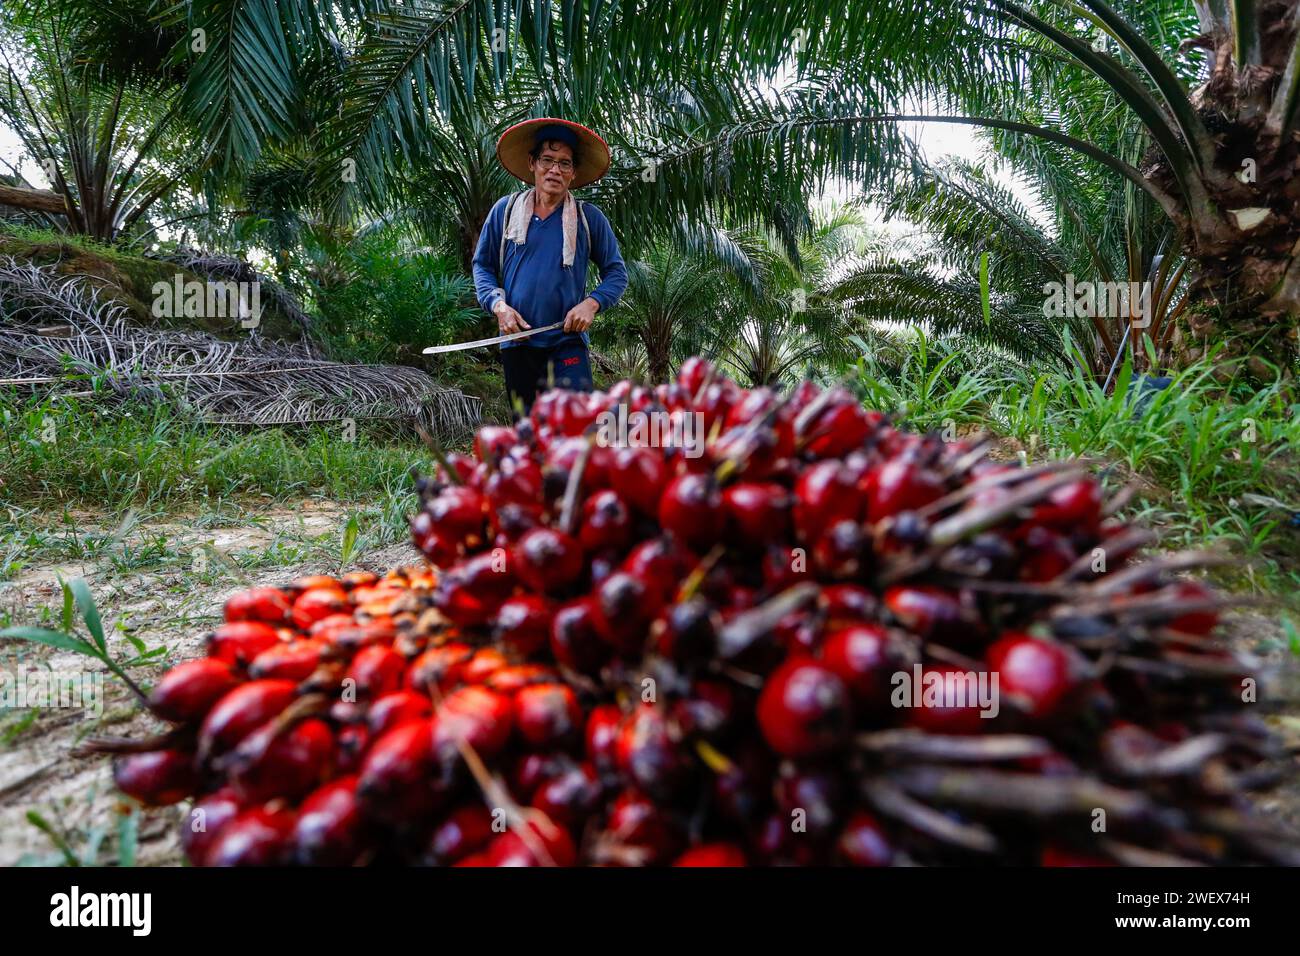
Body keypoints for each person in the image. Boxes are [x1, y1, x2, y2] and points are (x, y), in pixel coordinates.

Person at [472, 118, 628, 415]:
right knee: (528, 434)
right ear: (532, 163)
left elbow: (617, 273)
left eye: (564, 164)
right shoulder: (504, 212)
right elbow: (482, 266)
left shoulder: (588, 219)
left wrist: (591, 305)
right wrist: (498, 306)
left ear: (573, 173)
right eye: (547, 160)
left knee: (575, 429)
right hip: (517, 343)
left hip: (566, 342)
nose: (555, 170)